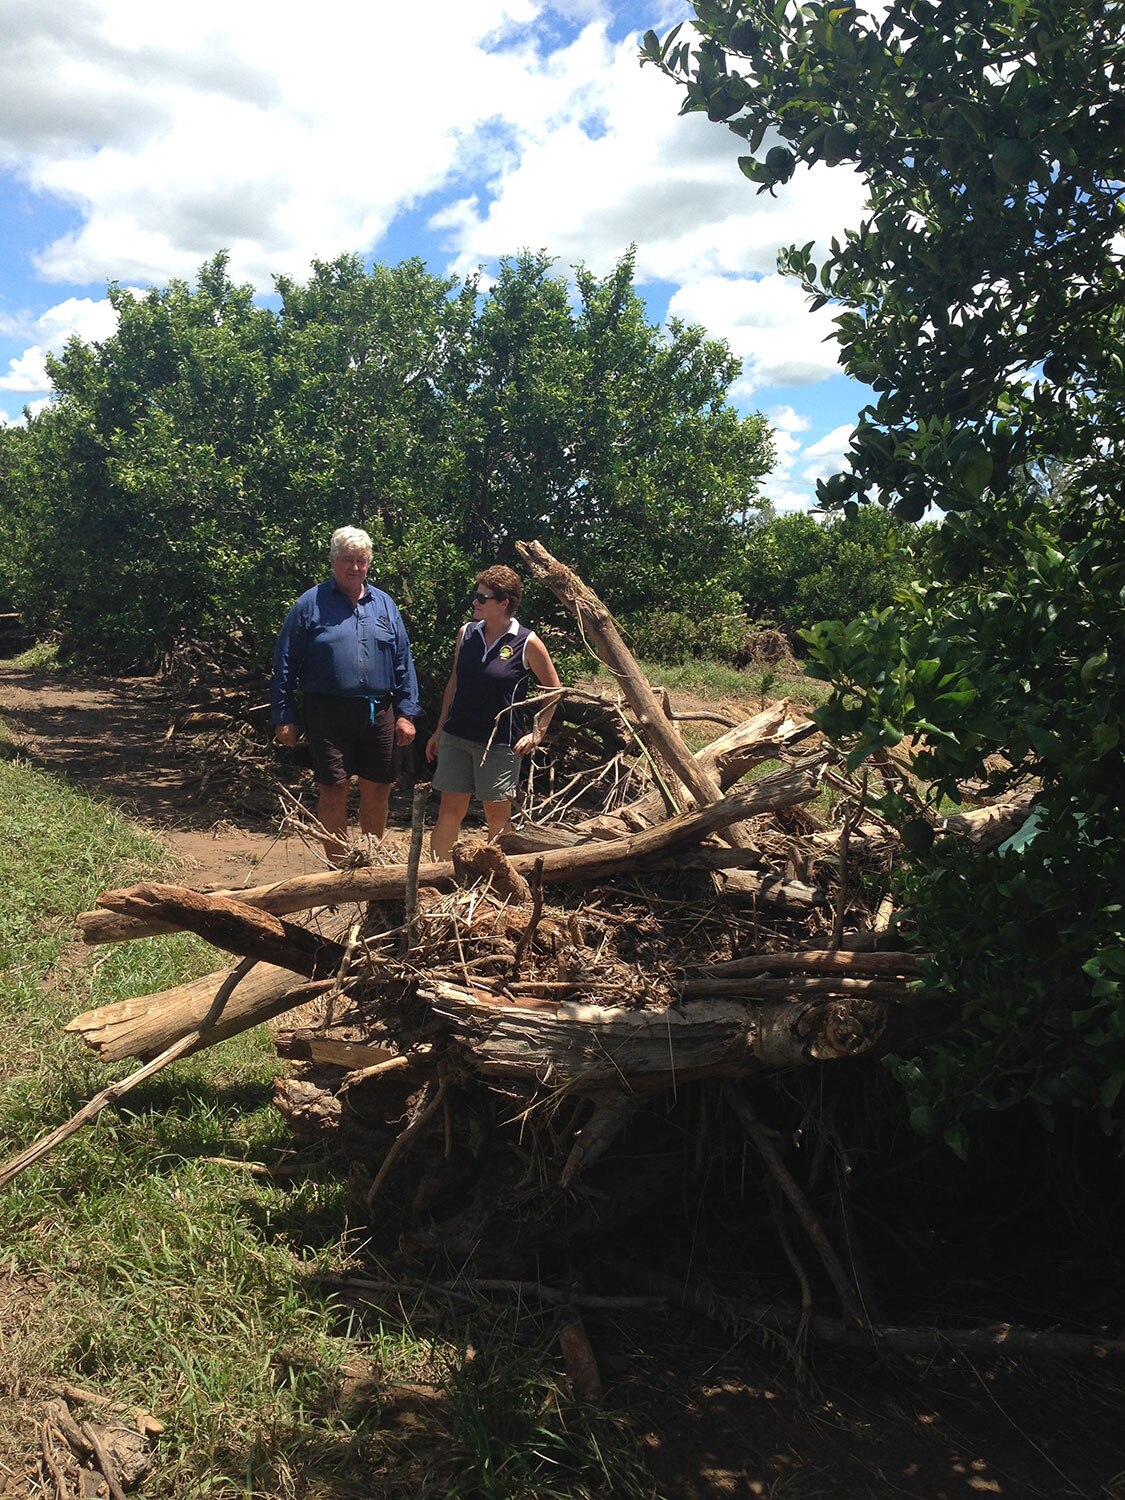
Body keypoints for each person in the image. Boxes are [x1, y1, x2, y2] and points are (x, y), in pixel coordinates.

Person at [271, 526, 420, 859]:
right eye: (347, 560)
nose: (354, 567)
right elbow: (284, 662)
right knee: (334, 789)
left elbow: (403, 661)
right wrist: (284, 716)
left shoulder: (384, 604)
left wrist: (407, 713)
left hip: (380, 711)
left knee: (378, 788)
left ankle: (369, 862)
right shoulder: (309, 605)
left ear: (368, 563)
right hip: (327, 710)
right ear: (333, 562)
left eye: (361, 560)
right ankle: (338, 870)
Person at [425, 564, 561, 859]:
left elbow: (553, 688)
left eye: (482, 598)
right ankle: (438, 879)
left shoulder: (527, 641)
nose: (475, 602)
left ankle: (499, 887)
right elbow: (454, 683)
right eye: (476, 596)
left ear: (504, 603)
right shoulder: (467, 633)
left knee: (497, 819)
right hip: (456, 736)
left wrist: (537, 733)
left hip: (500, 744)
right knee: (449, 812)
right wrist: (438, 730)